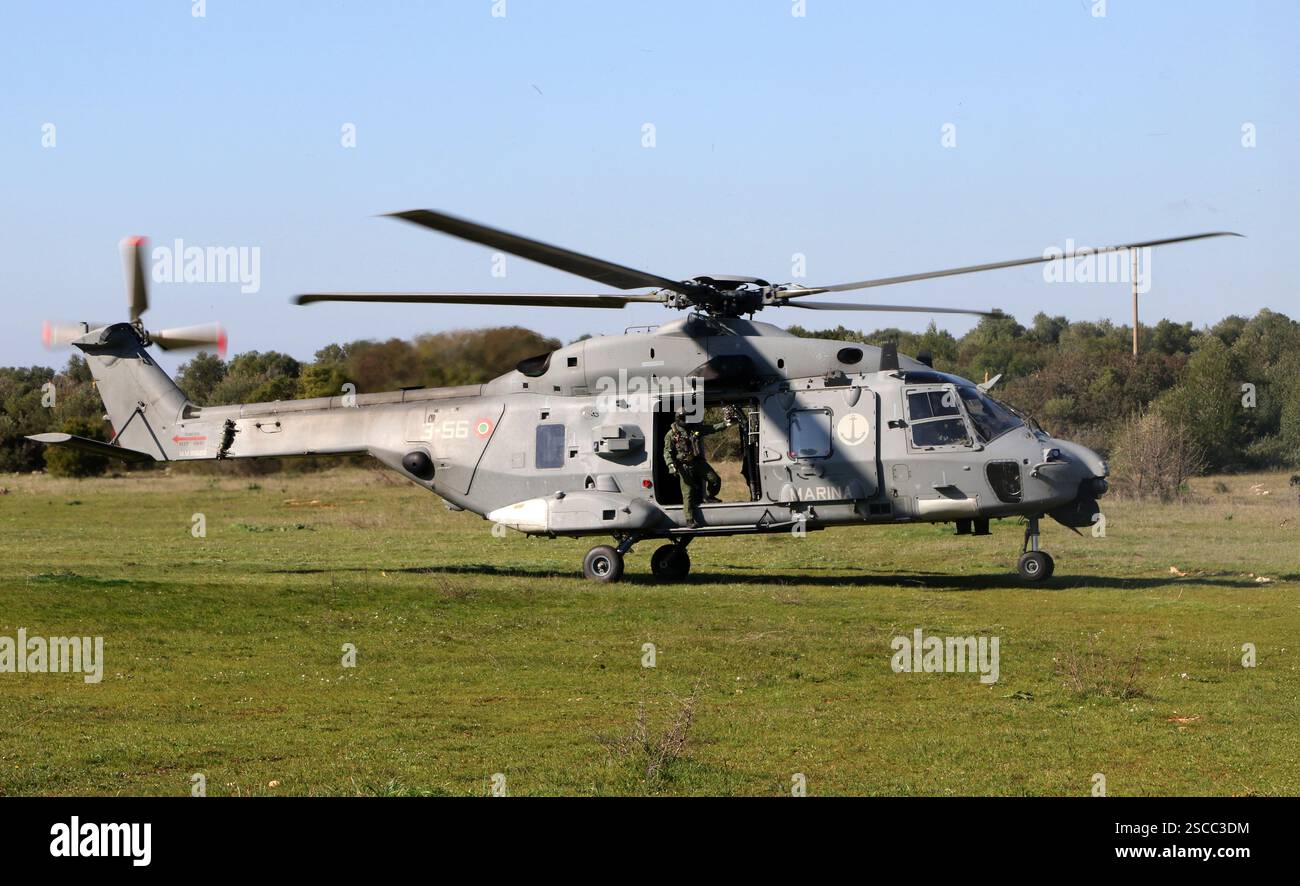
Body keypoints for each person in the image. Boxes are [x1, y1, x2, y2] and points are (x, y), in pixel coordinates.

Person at [663, 408, 731, 528]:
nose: (686, 421)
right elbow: (667, 452)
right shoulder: (671, 434)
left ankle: (710, 496)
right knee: (688, 492)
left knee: (715, 480)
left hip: (697, 462)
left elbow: (711, 429)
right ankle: (689, 520)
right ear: (678, 419)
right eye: (684, 418)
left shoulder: (694, 429)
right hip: (683, 465)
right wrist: (671, 465)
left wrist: (725, 424)